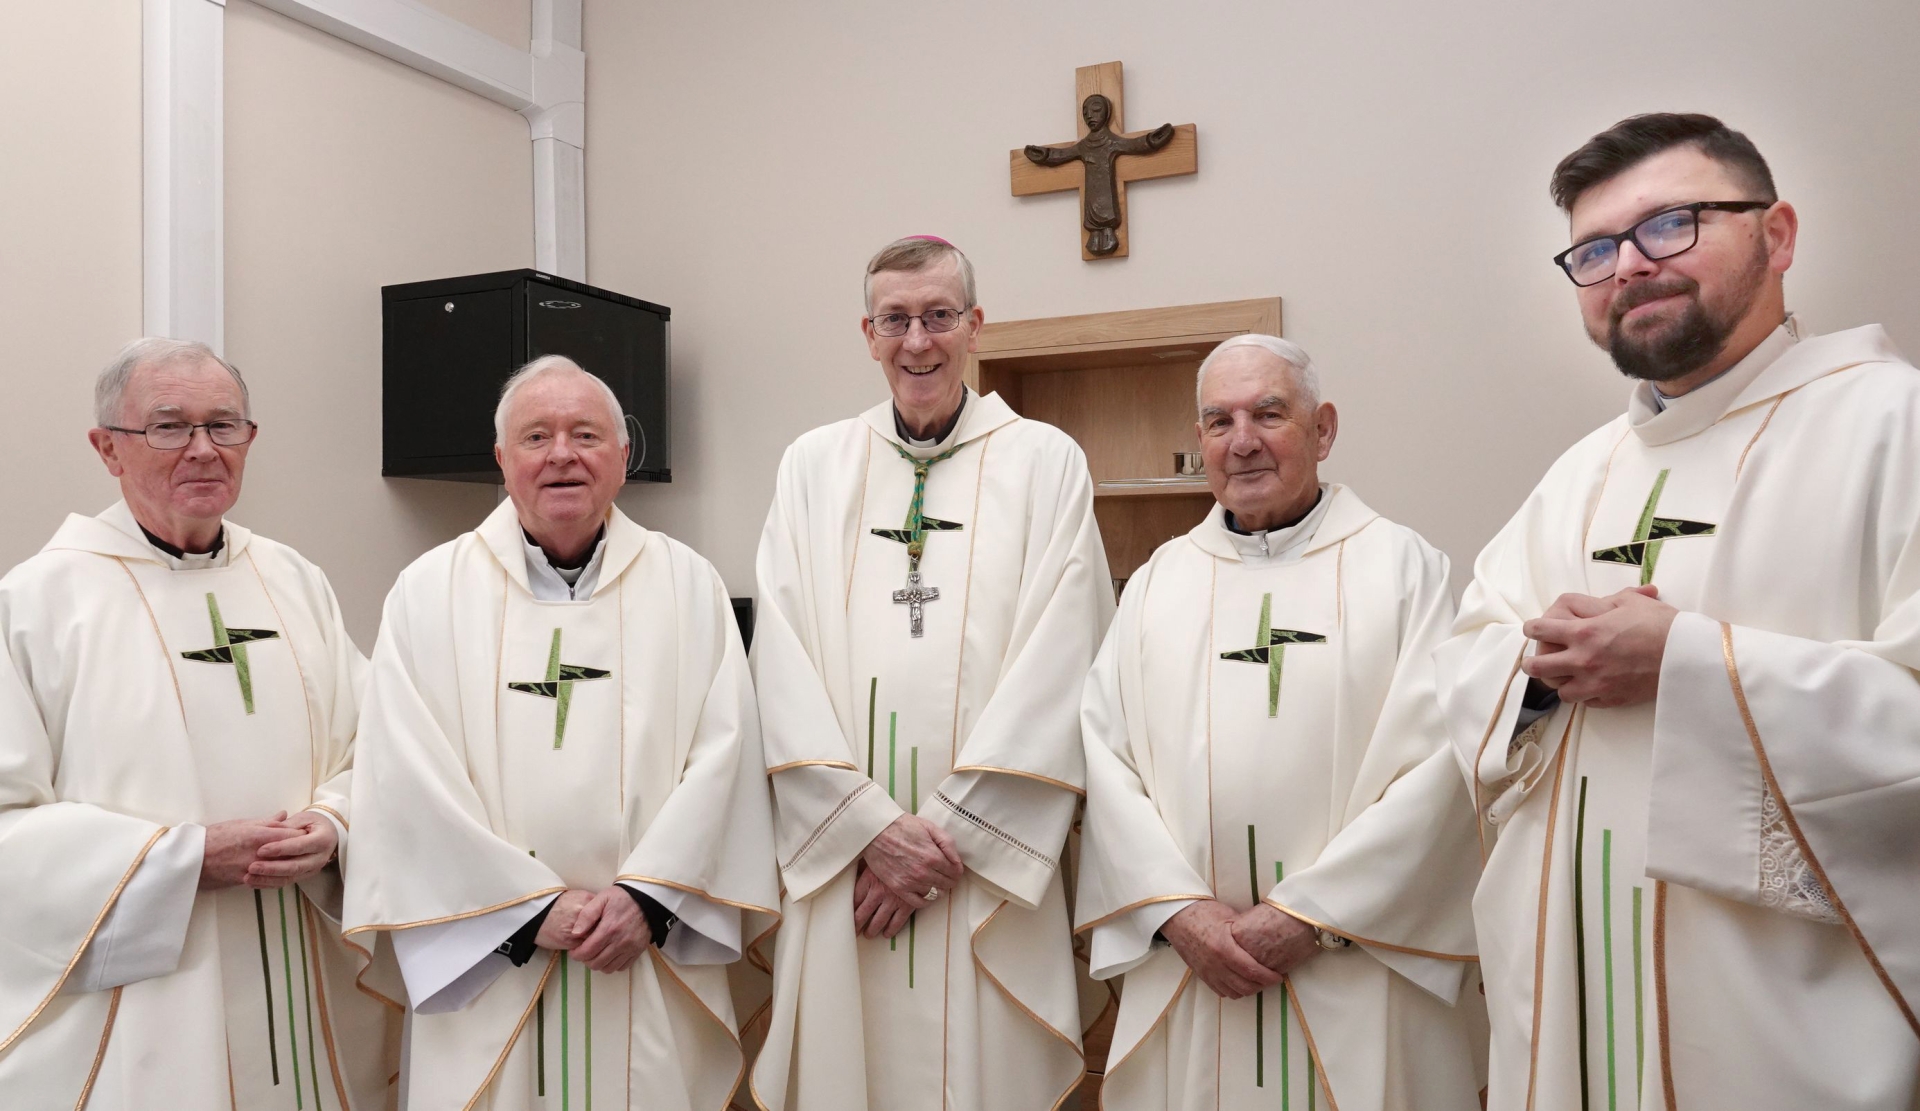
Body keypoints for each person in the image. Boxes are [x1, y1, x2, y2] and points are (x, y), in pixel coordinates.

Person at [1436, 112, 1920, 1110]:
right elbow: (1470, 657)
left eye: (1670, 225)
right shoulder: (1581, 473)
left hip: (1777, 1026)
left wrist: (1687, 662)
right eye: (1596, 249)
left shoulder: (1891, 425)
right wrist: (1537, 675)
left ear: (1777, 234)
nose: (1630, 265)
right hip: (1573, 994)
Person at [343, 356, 778, 1111]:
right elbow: (405, 774)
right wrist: (528, 910)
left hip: (646, 953)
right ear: (501, 458)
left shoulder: (688, 585)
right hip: (494, 964)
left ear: (623, 454)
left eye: (586, 434)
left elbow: (727, 754)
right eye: (536, 436)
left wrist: (648, 900)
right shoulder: (428, 592)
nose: (562, 455)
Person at [748, 235, 1115, 1110]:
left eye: (940, 316)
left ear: (976, 326)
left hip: (981, 873)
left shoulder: (1045, 461)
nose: (918, 341)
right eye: (896, 319)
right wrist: (867, 831)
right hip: (850, 869)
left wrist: (944, 841)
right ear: (868, 333)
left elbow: (1066, 656)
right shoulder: (814, 466)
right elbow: (780, 663)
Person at [1077, 335, 1484, 1110]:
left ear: (1323, 429)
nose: (1243, 441)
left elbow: (1441, 765)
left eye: (1268, 414)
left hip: (1355, 968)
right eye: (1220, 421)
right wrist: (1177, 912)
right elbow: (1106, 755)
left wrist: (1311, 913)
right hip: (1192, 970)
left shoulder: (1404, 570)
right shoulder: (1158, 583)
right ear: (1200, 440)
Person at [0, 337, 394, 1107]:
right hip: (145, 1009)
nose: (204, 449)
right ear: (107, 448)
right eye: (170, 426)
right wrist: (183, 860)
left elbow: (379, 747)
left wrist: (334, 825)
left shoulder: (293, 580)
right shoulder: (38, 604)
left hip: (302, 982)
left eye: (224, 425)